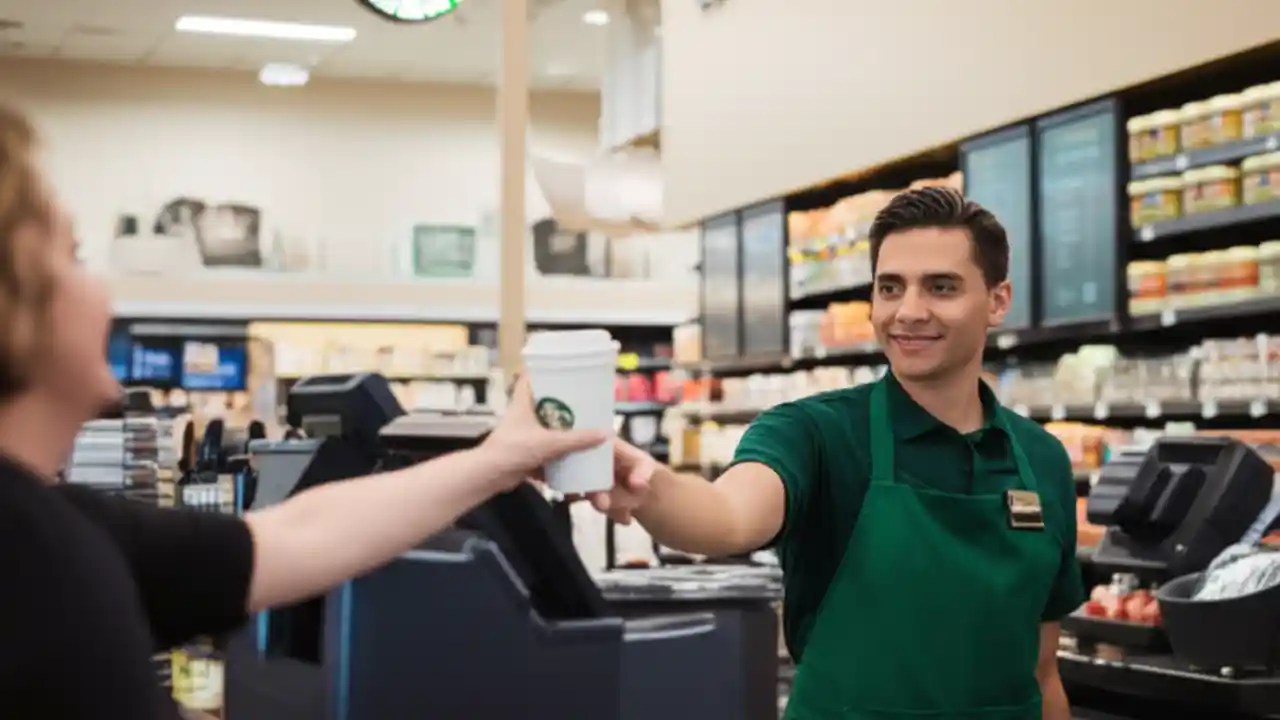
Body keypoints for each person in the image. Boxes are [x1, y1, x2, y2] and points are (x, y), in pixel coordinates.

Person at [0, 105, 607, 720]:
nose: (103, 290)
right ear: (16, 299)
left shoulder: (64, 531)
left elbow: (294, 536)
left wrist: (496, 462)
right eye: (73, 255)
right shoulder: (27, 555)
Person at [598, 187, 1084, 719]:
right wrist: (650, 484)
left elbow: (1042, 672)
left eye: (941, 287)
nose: (909, 311)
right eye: (890, 287)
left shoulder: (1042, 460)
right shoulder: (814, 433)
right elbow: (729, 517)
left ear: (997, 300)